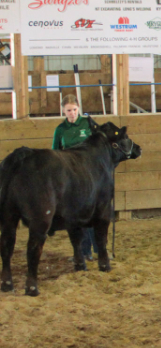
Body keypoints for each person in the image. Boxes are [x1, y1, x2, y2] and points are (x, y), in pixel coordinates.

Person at [52, 95, 98, 259]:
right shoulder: (60, 130)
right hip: (71, 175)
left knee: (92, 212)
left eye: (74, 110)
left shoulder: (88, 124)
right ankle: (84, 251)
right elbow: (55, 153)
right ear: (63, 111)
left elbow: (100, 143)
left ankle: (99, 250)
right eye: (68, 110)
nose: (72, 113)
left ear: (79, 109)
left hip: (89, 173)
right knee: (78, 215)